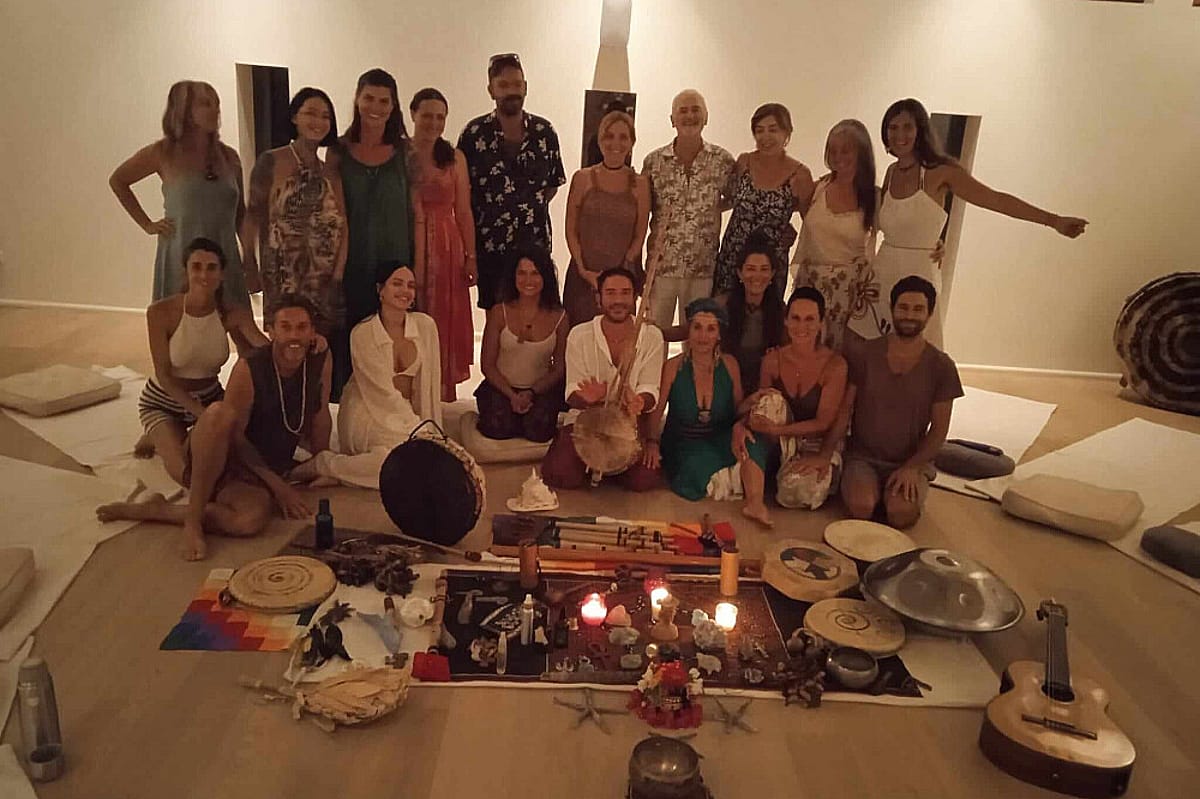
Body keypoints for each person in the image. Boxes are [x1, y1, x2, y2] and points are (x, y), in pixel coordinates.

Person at [98, 295, 332, 561]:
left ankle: (160, 510)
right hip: (224, 456)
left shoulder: (321, 357)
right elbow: (235, 437)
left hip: (263, 467)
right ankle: (192, 521)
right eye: (285, 327)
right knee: (219, 413)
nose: (294, 335)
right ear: (270, 330)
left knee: (248, 522)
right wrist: (278, 486)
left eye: (302, 327)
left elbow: (321, 412)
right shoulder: (250, 368)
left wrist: (320, 462)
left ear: (313, 332)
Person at [850, 98, 1089, 347]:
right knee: (874, 345)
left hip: (920, 271)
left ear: (920, 130)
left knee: (916, 348)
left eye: (907, 127)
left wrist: (1053, 220)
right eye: (893, 127)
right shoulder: (891, 172)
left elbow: (995, 199)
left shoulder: (941, 172)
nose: (900, 134)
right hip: (884, 269)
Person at [134, 237, 275, 483]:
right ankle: (160, 433)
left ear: (222, 274)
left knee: (241, 457)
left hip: (212, 396)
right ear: (185, 271)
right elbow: (165, 377)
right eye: (196, 267)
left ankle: (179, 434)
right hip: (164, 401)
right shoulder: (160, 312)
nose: (204, 274)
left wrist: (299, 344)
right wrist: (203, 414)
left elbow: (265, 350)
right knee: (188, 474)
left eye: (211, 267)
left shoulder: (232, 314)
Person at [290, 264, 441, 490]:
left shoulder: (425, 326)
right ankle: (322, 464)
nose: (405, 291)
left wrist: (432, 432)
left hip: (405, 413)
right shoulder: (363, 333)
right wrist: (419, 431)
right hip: (368, 411)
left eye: (411, 286)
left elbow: (431, 386)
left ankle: (338, 472)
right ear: (381, 290)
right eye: (397, 283)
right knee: (406, 460)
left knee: (424, 460)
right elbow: (382, 393)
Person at [835, 276, 964, 528]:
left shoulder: (941, 366)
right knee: (861, 507)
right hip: (863, 457)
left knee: (900, 514)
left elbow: (939, 431)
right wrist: (826, 451)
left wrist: (913, 467)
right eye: (903, 308)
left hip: (911, 459)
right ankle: (872, 491)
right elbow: (845, 409)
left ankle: (894, 494)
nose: (910, 315)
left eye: (918, 309)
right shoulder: (865, 353)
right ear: (893, 309)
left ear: (928, 314)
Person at [110, 80, 250, 307]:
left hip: (224, 253)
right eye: (205, 104)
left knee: (239, 324)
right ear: (184, 109)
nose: (215, 110)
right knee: (179, 326)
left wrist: (250, 259)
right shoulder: (163, 153)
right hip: (181, 253)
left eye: (217, 104)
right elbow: (119, 180)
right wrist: (147, 224)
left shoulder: (229, 157)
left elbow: (240, 214)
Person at [327, 69, 415, 400]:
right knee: (350, 336)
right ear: (356, 99)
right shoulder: (338, 151)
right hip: (352, 260)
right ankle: (349, 410)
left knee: (391, 336)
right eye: (369, 98)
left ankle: (391, 410)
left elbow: (416, 212)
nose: (375, 106)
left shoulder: (406, 153)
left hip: (395, 262)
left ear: (393, 106)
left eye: (384, 100)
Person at [457, 53, 566, 309]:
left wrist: (523, 205)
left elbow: (552, 185)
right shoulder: (473, 135)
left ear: (525, 87)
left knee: (535, 315)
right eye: (504, 86)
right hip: (491, 247)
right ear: (491, 90)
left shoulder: (545, 132)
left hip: (534, 245)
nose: (511, 91)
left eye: (517, 85)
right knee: (496, 317)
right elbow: (462, 193)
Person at [541, 268, 663, 491]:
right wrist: (587, 399)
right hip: (586, 422)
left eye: (625, 293)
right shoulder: (579, 335)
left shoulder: (652, 337)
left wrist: (639, 402)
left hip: (629, 426)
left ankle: (607, 468)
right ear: (599, 298)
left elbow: (650, 389)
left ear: (636, 297)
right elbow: (571, 393)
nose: (618, 300)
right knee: (559, 475)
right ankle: (596, 465)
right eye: (611, 293)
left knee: (645, 481)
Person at [733, 287, 848, 524]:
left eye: (809, 319)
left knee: (797, 494)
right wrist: (742, 424)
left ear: (821, 323)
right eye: (795, 318)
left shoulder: (835, 365)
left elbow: (824, 423)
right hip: (779, 441)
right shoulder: (772, 359)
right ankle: (757, 493)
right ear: (786, 320)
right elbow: (761, 410)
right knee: (770, 399)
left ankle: (777, 476)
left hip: (815, 444)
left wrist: (777, 431)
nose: (801, 326)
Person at [243, 87, 347, 325]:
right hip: (282, 276)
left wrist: (338, 276)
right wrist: (248, 262)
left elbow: (344, 226)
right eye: (310, 113)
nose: (318, 122)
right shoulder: (271, 161)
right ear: (294, 117)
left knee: (320, 342)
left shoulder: (331, 171)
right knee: (285, 342)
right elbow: (253, 215)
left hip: (323, 278)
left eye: (325, 116)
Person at [642, 90, 736, 329]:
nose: (689, 115)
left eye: (695, 109)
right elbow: (644, 208)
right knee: (652, 335)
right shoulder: (653, 162)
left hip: (702, 267)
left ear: (706, 117)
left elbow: (735, 197)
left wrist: (710, 208)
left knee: (698, 336)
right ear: (672, 119)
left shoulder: (722, 161)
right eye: (682, 111)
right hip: (661, 266)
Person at [643, 298, 751, 505]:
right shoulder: (673, 367)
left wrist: (747, 419)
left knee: (751, 447)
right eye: (697, 328)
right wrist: (651, 442)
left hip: (719, 440)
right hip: (684, 445)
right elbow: (657, 412)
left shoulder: (730, 365)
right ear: (688, 331)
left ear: (719, 334)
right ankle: (728, 477)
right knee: (693, 465)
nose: (703, 336)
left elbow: (739, 409)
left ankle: (734, 482)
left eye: (711, 329)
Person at [408, 88, 476, 401]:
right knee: (414, 311)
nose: (434, 122)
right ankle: (412, 386)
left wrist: (471, 256)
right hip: (410, 238)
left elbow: (463, 209)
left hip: (448, 245)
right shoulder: (401, 153)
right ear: (412, 115)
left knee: (445, 317)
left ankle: (441, 391)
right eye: (427, 116)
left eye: (440, 117)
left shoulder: (454, 157)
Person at [711, 103, 814, 297]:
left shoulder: (799, 174)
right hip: (733, 255)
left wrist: (793, 235)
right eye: (759, 131)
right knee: (724, 319)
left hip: (770, 264)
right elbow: (728, 200)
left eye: (773, 129)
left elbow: (812, 222)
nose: (765, 137)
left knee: (765, 319)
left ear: (787, 132)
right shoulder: (744, 162)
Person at [791, 120, 877, 349]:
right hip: (810, 285)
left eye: (846, 150)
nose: (838, 156)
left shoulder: (874, 197)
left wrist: (935, 244)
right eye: (833, 150)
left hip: (849, 294)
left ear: (862, 152)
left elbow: (899, 229)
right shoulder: (817, 188)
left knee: (841, 356)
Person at [562, 110, 650, 327]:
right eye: (609, 136)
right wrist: (584, 270)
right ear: (600, 140)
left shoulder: (640, 184)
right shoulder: (582, 178)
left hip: (621, 281)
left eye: (623, 137)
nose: (615, 143)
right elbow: (571, 228)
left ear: (632, 142)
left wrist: (618, 276)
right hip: (583, 277)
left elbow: (640, 233)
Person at [475, 248, 567, 442]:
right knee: (498, 427)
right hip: (501, 388)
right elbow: (487, 365)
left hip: (538, 390)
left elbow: (559, 368)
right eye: (522, 273)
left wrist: (531, 393)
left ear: (546, 277)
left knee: (539, 431)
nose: (528, 280)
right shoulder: (499, 312)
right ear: (513, 276)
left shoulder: (560, 317)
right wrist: (512, 395)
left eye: (535, 273)